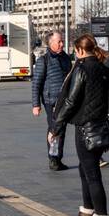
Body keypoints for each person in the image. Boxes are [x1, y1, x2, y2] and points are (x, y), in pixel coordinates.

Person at [48, 34, 109, 216]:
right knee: (85, 169)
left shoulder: (82, 69)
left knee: (92, 174)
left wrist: (56, 128)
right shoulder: (107, 71)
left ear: (79, 50)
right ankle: (87, 214)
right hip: (102, 128)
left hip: (86, 129)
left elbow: (70, 101)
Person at [31, 31, 74, 171]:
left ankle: (57, 158)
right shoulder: (43, 60)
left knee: (61, 129)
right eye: (59, 42)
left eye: (62, 41)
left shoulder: (66, 58)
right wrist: (36, 104)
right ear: (50, 43)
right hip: (51, 100)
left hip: (65, 101)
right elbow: (36, 83)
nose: (62, 44)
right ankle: (53, 159)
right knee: (55, 129)